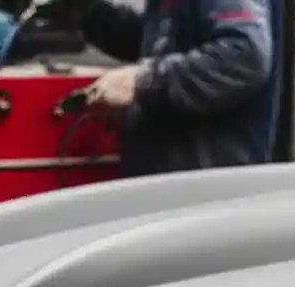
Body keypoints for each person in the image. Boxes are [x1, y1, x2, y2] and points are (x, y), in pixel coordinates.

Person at [70, 0, 282, 177]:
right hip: (171, 173)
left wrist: (144, 81)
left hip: (204, 184)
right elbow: (160, 43)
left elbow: (244, 56)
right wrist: (87, 11)